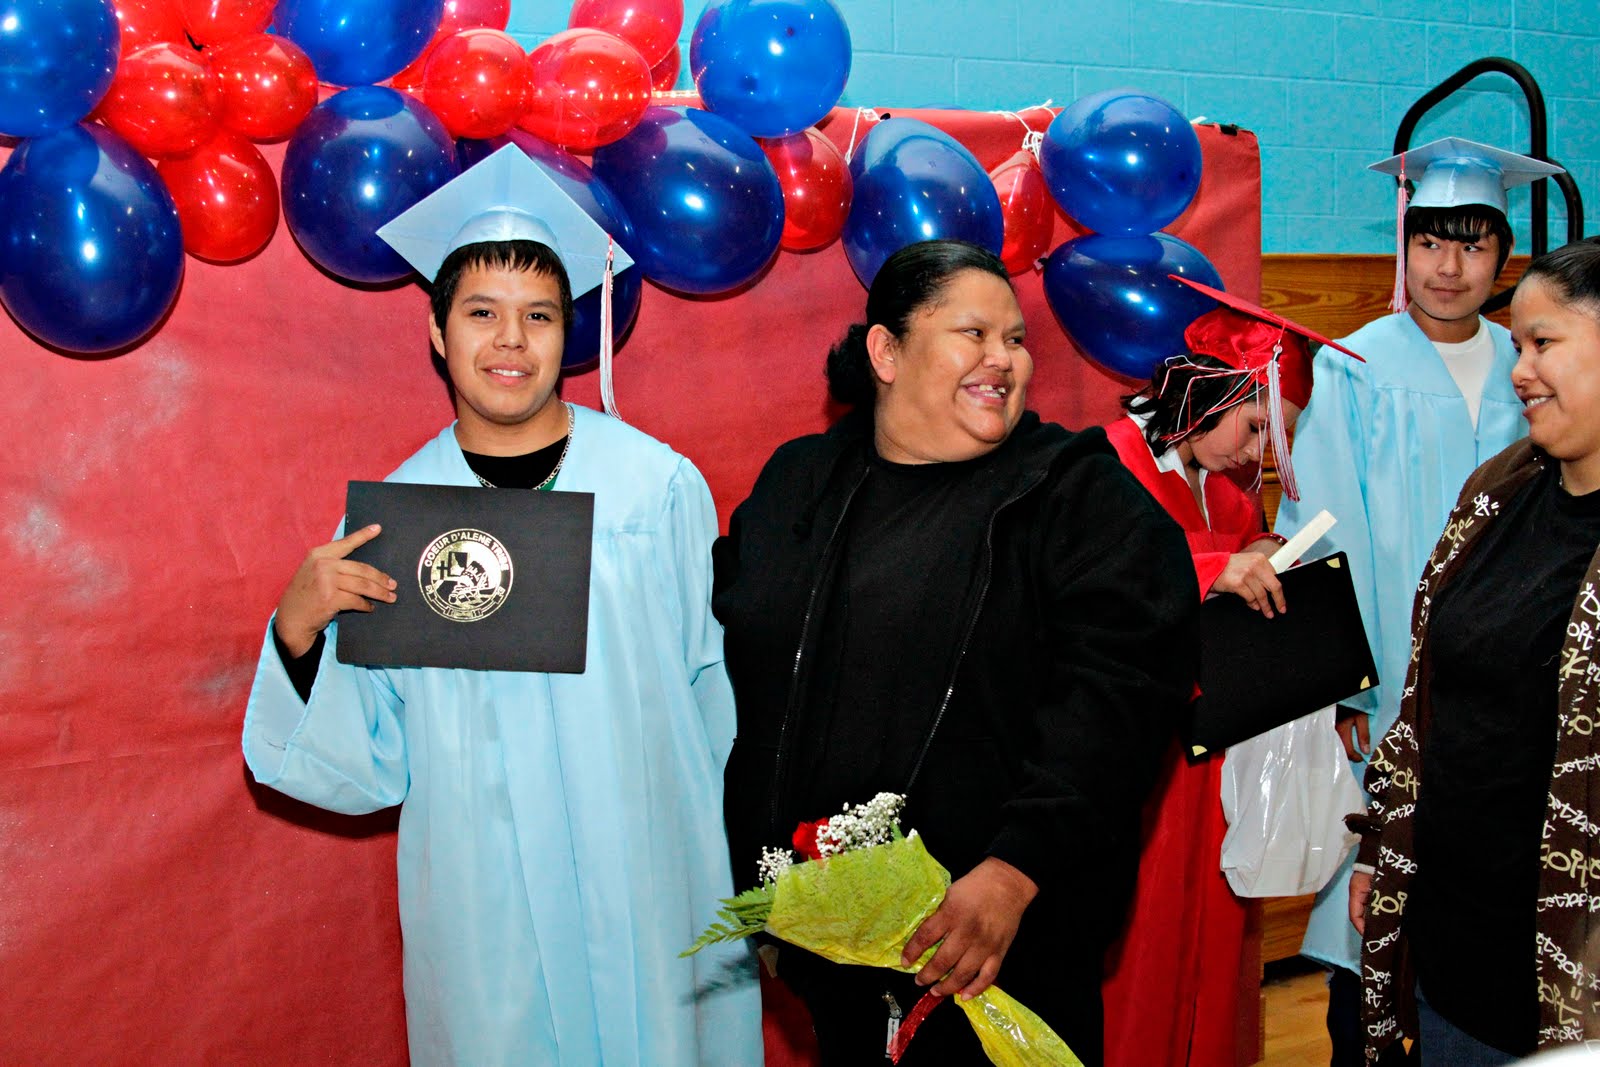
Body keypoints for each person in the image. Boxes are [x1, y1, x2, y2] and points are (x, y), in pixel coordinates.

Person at [240, 147, 761, 1066]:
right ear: (438, 332)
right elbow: (366, 760)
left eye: (539, 316)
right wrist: (297, 628)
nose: (511, 341)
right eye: (481, 313)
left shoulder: (654, 489)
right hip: (487, 908)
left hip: (647, 877)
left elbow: (712, 695)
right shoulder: (397, 522)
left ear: (568, 332)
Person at [711, 239, 1200, 1065]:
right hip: (833, 949)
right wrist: (765, 895)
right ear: (886, 351)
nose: (1003, 358)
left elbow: (1121, 699)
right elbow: (746, 693)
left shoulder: (1077, 496)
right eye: (974, 333)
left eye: (1015, 339)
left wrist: (1014, 870)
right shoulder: (799, 484)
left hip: (1001, 949)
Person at [1274, 138, 1562, 1063]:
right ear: (1402, 245)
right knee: (1367, 913)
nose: (1448, 266)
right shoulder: (1354, 365)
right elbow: (1322, 528)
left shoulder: (1530, 365)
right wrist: (1347, 685)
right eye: (1430, 242)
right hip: (1386, 687)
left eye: (1474, 246)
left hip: (1504, 689)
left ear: (1504, 257)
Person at [1350, 237, 1600, 1062]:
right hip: (1455, 957)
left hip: (1571, 986)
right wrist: (1383, 844)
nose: (1520, 371)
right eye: (1517, 345)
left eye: (1544, 343)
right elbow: (1432, 699)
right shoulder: (1501, 491)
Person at [1101, 282, 1363, 1067]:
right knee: (1140, 945)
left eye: (1273, 439)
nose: (1255, 455)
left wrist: (1266, 564)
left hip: (1218, 758)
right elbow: (1094, 578)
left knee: (1215, 939)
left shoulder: (1229, 496)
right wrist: (1214, 566)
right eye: (1254, 427)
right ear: (1209, 391)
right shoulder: (1105, 462)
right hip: (1136, 757)